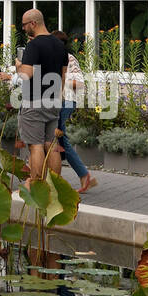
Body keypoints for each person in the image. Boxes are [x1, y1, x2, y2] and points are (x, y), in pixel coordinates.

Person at [15, 8, 67, 183]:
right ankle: (55, 187)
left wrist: (18, 66)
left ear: (33, 23)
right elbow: (63, 75)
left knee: (35, 146)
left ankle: (36, 186)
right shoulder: (60, 45)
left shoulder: (34, 45)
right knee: (51, 145)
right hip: (53, 100)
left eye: (24, 25)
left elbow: (26, 74)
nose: (23, 29)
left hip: (34, 101)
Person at [52, 29, 97, 194]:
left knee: (59, 139)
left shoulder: (69, 58)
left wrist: (60, 81)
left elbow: (80, 83)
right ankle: (82, 176)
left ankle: (83, 176)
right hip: (57, 101)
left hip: (66, 101)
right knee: (58, 139)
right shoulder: (55, 57)